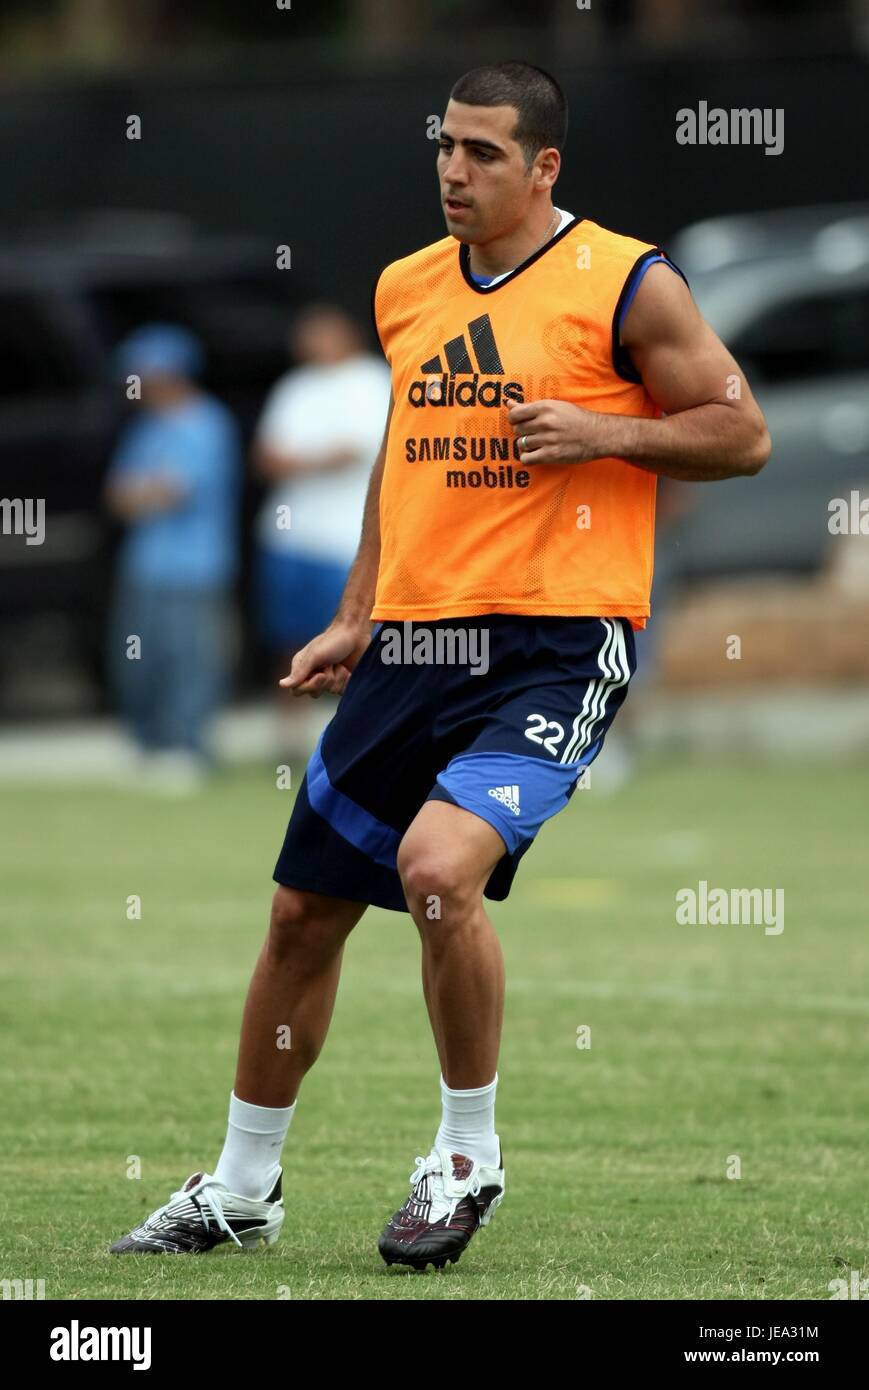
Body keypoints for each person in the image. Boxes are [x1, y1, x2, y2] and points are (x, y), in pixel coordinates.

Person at [110, 64, 770, 1265]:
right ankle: (241, 1190)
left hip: (558, 642)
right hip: (415, 640)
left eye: (481, 152)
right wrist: (360, 606)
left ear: (544, 166)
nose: (453, 172)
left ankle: (465, 1157)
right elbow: (401, 453)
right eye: (444, 149)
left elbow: (741, 430)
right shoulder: (406, 287)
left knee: (433, 865)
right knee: (301, 911)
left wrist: (605, 431)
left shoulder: (627, 280)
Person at [104, 324, 240, 787]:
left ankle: (187, 749)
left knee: (191, 658)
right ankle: (148, 744)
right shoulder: (146, 429)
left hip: (195, 566)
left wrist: (145, 492)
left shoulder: (206, 423)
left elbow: (174, 492)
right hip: (145, 564)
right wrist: (147, 492)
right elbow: (118, 495)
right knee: (138, 660)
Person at [250, 304, 390, 746]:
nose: (311, 343)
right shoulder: (295, 387)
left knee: (361, 645)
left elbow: (355, 451)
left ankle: (370, 736)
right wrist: (315, 458)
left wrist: (300, 460)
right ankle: (288, 740)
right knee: (290, 639)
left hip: (347, 542)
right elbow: (266, 458)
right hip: (291, 539)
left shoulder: (373, 381)